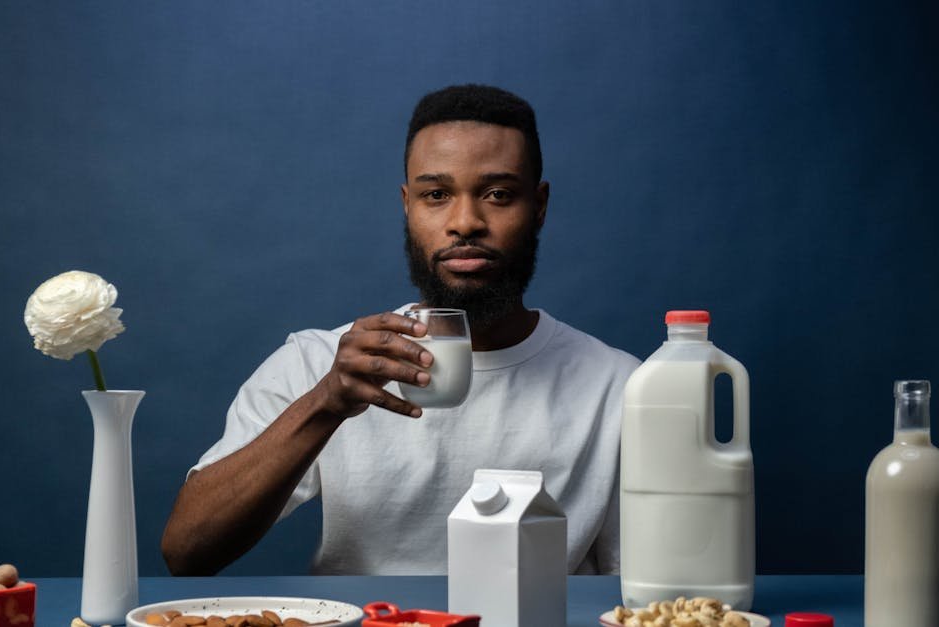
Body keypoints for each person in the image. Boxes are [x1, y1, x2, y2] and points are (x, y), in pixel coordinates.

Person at [161, 84, 640, 576]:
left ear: (538, 206)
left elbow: (649, 591)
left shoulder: (622, 387)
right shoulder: (320, 362)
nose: (465, 222)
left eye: (498, 194)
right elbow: (188, 551)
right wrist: (326, 402)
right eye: (437, 195)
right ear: (408, 205)